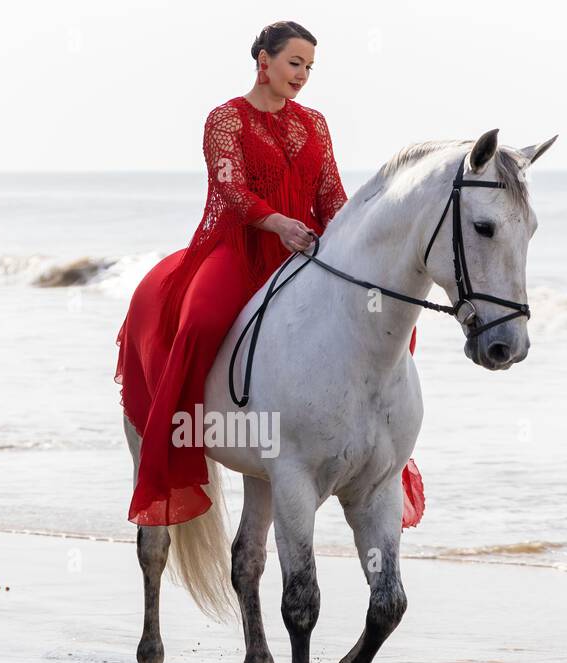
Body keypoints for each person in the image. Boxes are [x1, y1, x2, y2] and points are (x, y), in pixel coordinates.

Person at [114, 20, 424, 528]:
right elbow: (230, 191)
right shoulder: (225, 120)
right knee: (200, 319)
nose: (302, 75)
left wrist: (352, 242)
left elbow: (330, 196)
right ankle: (184, 437)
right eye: (294, 63)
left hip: (303, 248)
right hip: (240, 246)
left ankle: (384, 446)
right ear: (264, 61)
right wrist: (277, 223)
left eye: (309, 67)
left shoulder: (315, 124)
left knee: (390, 327)